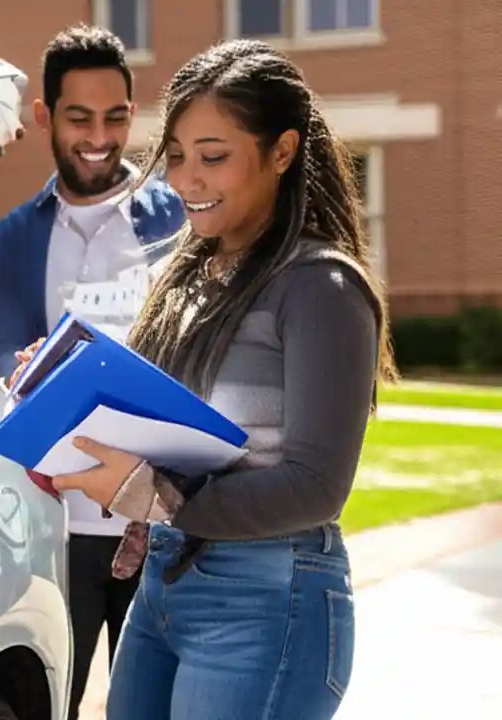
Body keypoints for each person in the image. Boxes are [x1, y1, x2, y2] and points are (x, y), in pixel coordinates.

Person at [48, 38, 398, 719]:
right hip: (164, 583)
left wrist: (154, 496)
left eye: (213, 157)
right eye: (175, 156)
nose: (185, 180)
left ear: (282, 152)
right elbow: (159, 423)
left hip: (269, 597)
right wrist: (60, 386)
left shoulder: (320, 287)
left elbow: (317, 487)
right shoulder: (182, 276)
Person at [0, 24, 185, 718]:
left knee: (150, 707)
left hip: (160, 523)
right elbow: (0, 350)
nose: (99, 136)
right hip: (58, 523)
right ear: (43, 117)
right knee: (51, 700)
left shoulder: (178, 220)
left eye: (116, 116)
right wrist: (22, 367)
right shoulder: (15, 236)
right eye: (78, 118)